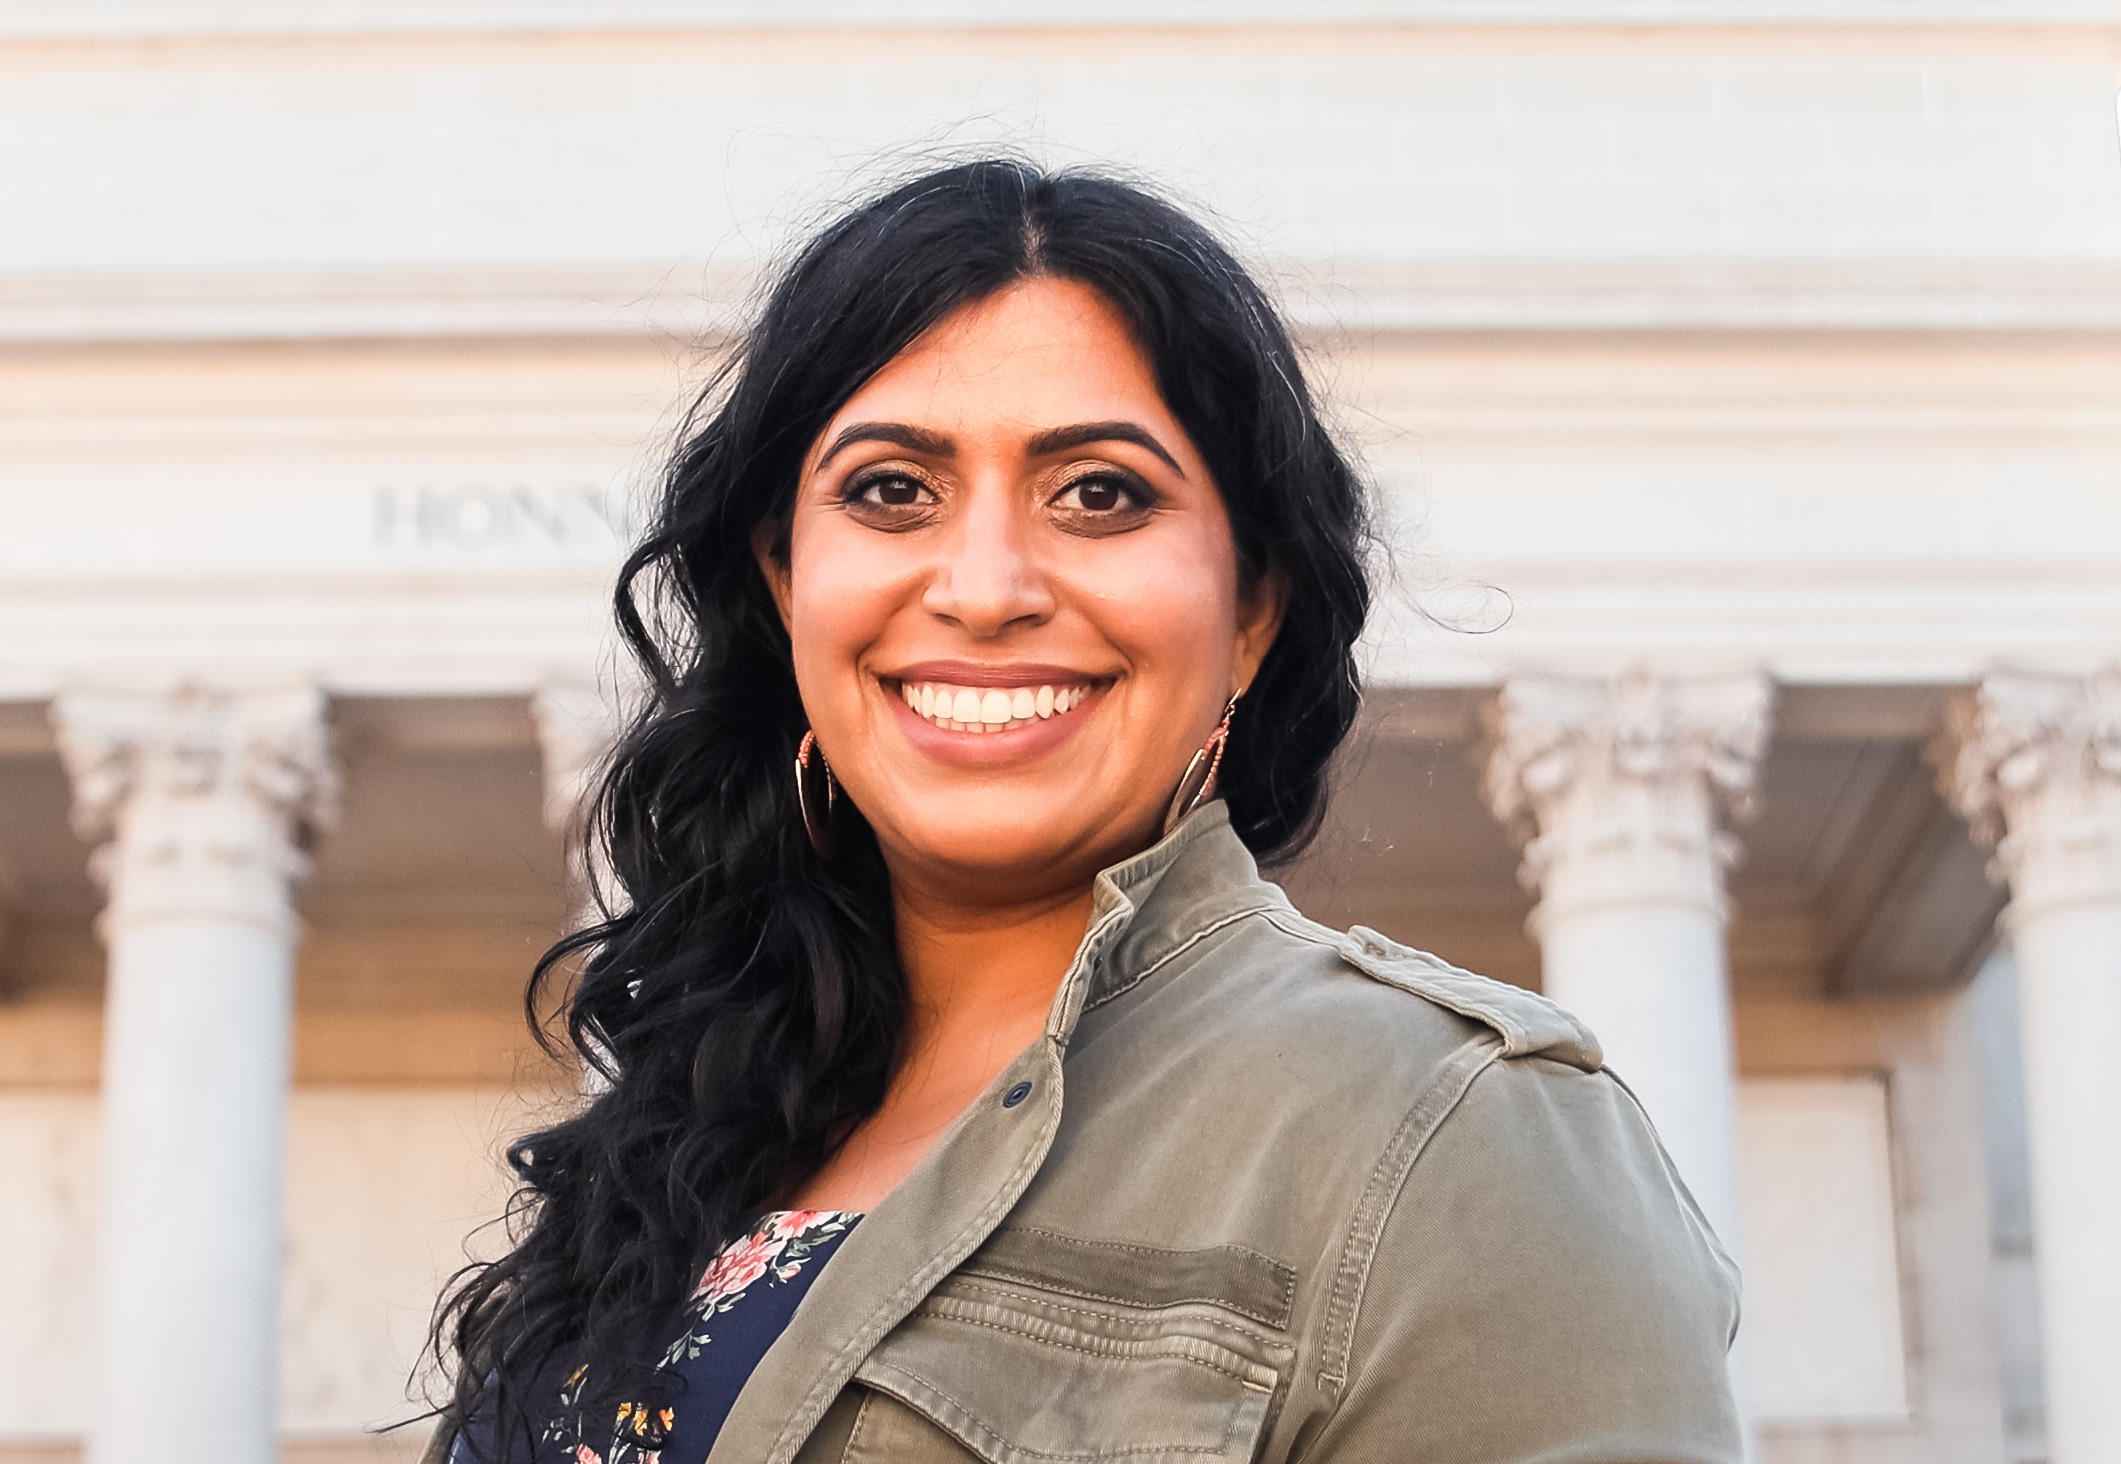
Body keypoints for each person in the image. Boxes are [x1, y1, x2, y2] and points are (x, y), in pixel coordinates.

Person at [426, 158, 1741, 1464]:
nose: (986, 585)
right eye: (893, 489)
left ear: (1250, 611)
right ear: (784, 584)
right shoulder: (691, 1126)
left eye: (1100, 493)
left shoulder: (1456, 1133)